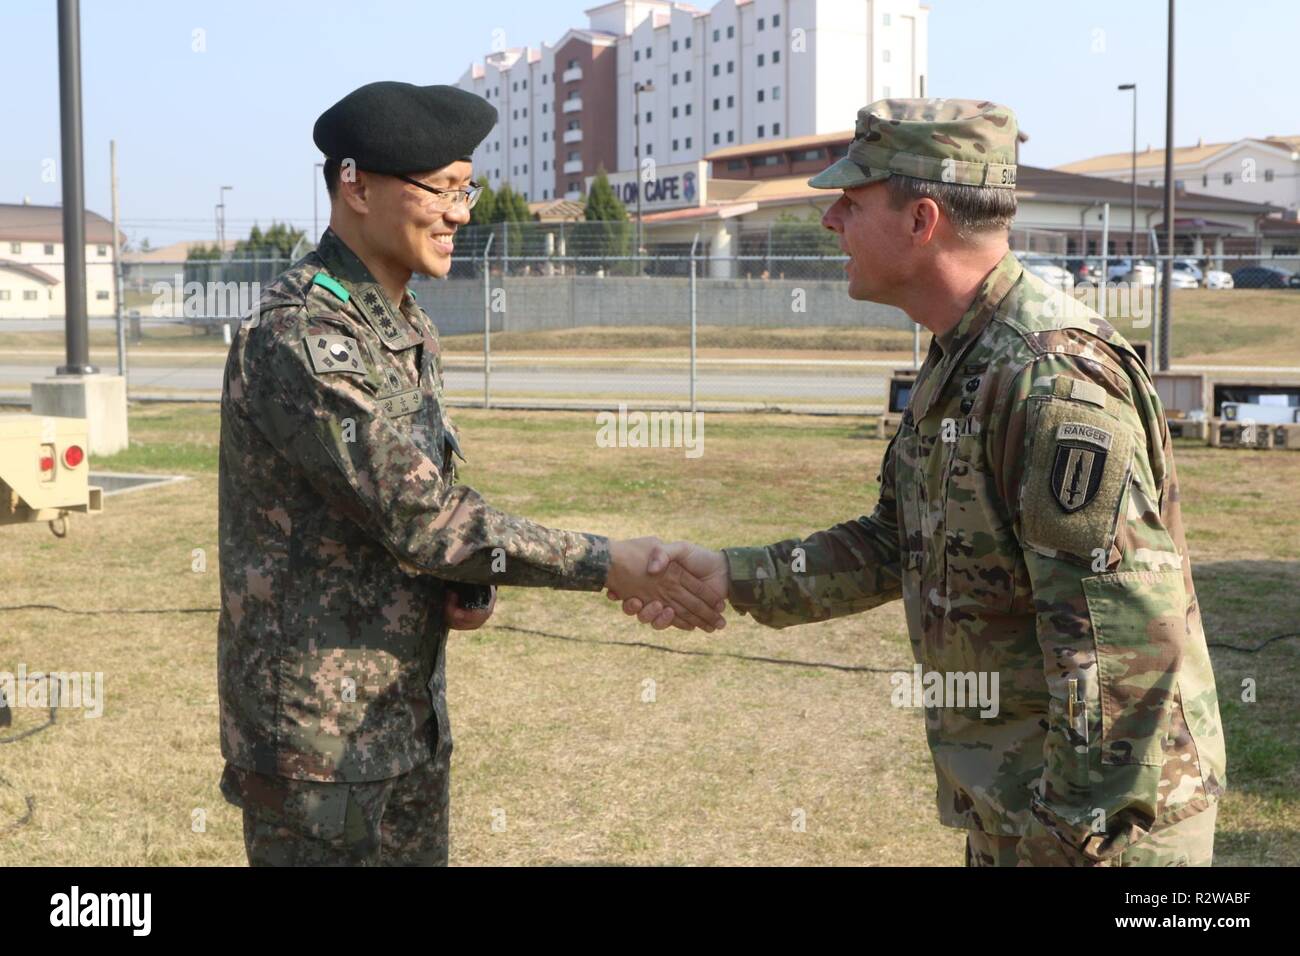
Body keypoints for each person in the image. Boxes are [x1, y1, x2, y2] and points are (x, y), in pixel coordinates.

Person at [614, 99, 1226, 867]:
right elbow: (892, 541)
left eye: (852, 199)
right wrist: (732, 574)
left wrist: (1064, 840)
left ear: (920, 219)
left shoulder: (1047, 383)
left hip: (1098, 830)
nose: (830, 220)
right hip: (1025, 810)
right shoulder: (965, 359)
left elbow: (1127, 652)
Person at [217, 81, 724, 867]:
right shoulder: (303, 336)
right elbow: (425, 522)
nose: (461, 212)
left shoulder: (407, 326)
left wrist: (469, 582)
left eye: (467, 189)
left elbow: (425, 500)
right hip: (319, 750)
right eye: (442, 190)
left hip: (402, 716)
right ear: (354, 183)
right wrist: (609, 563)